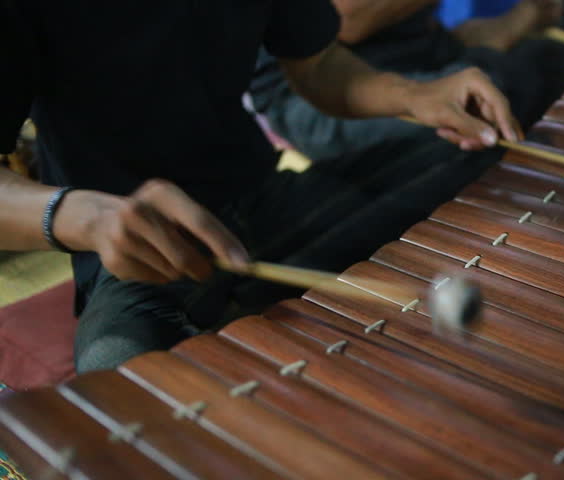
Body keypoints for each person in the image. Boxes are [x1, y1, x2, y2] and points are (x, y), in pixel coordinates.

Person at [0, 0, 522, 373]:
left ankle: (254, 295)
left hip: (272, 208)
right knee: (118, 377)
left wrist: (416, 96)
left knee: (487, 135)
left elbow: (317, 66)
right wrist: (84, 216)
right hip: (144, 262)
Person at [249, 0, 564, 164]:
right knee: (484, 108)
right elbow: (345, 20)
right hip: (310, 96)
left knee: (550, 59)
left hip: (417, 56)